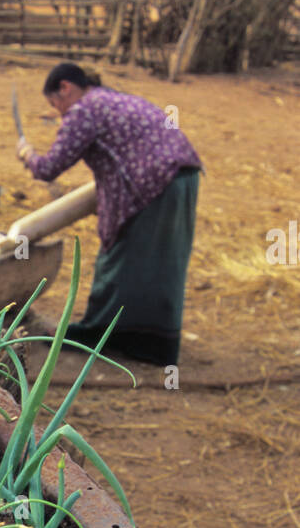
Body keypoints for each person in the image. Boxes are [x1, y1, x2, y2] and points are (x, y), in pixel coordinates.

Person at [17, 61, 202, 365]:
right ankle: (151, 343)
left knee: (119, 256)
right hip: (183, 177)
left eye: (55, 104)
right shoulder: (114, 98)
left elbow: (49, 168)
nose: (60, 113)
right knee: (159, 264)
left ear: (65, 88)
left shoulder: (85, 108)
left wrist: (27, 154)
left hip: (154, 182)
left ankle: (99, 335)